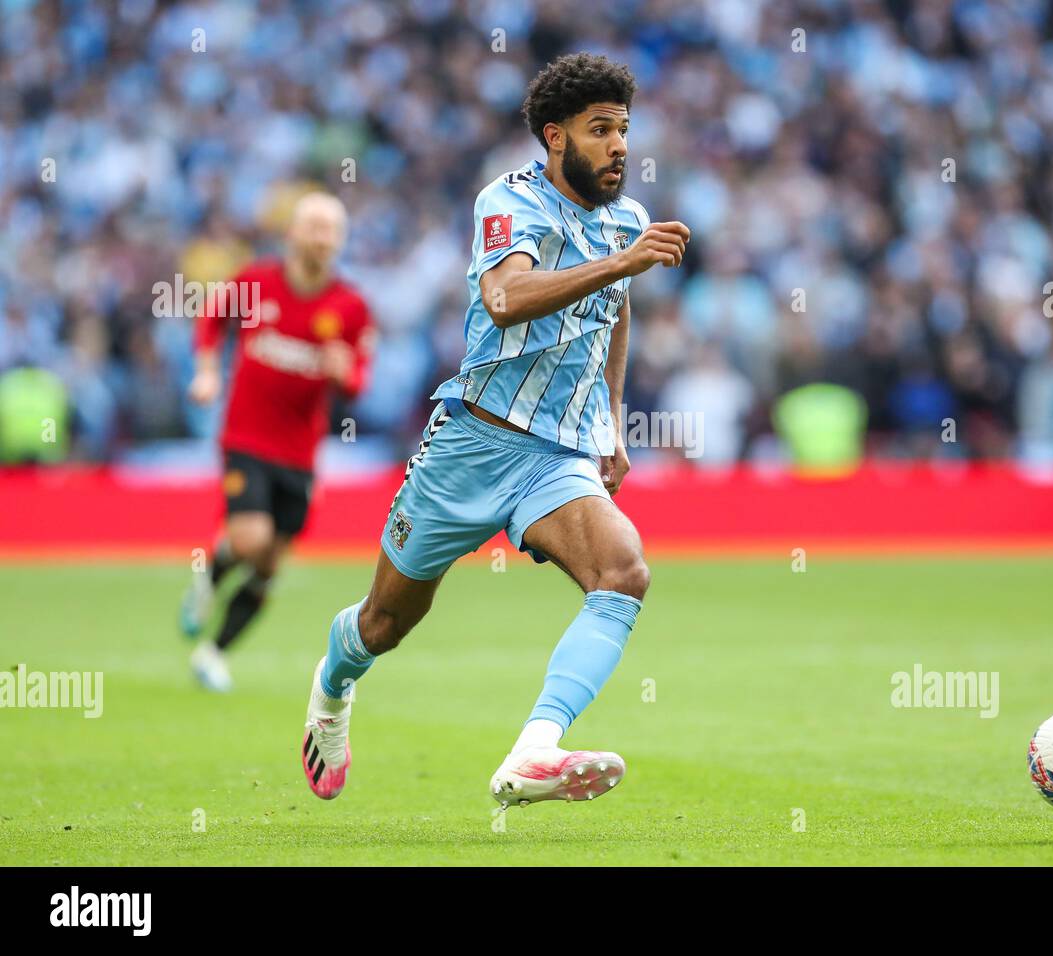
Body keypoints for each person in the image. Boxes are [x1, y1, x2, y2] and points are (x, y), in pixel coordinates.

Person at [298, 54, 690, 809]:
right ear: (555, 136)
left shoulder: (627, 222)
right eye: (599, 130)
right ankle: (332, 684)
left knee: (625, 571)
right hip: (472, 445)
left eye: (624, 130)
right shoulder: (509, 201)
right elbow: (506, 297)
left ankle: (535, 750)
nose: (617, 146)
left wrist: (610, 420)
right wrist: (621, 262)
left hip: (555, 456)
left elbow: (618, 309)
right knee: (385, 623)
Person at [182, 192, 374, 691]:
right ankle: (211, 573)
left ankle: (213, 651)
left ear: (340, 240)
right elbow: (211, 320)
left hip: (300, 453)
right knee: (251, 540)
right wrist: (206, 371)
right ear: (292, 233)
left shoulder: (350, 307)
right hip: (245, 437)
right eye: (312, 226)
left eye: (330, 229)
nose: (320, 236)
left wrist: (345, 374)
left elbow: (359, 381)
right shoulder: (255, 282)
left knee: (268, 565)